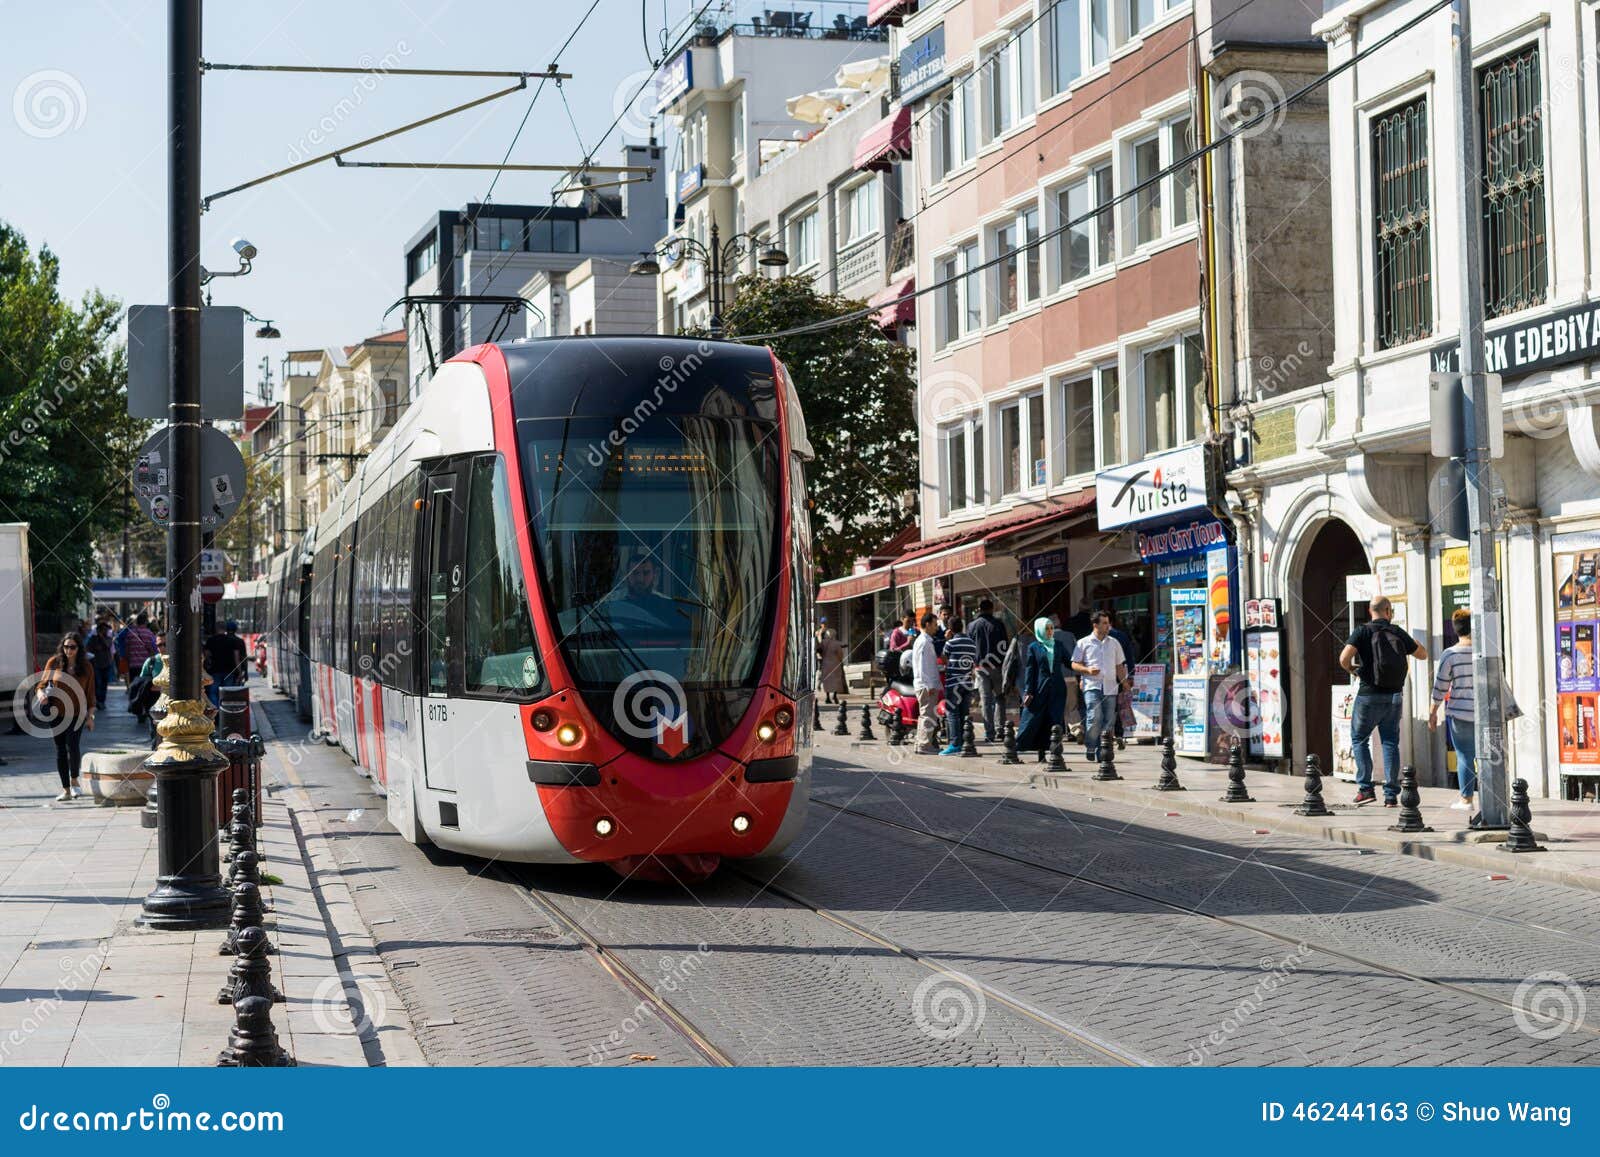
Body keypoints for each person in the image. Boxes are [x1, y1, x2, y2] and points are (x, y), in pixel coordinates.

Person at [1430, 608, 1519, 821]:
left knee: (1465, 757)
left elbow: (1441, 685)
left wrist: (1433, 711)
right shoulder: (1488, 650)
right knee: (1491, 756)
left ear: (1456, 630)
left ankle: (1466, 800)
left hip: (1461, 715)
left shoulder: (1449, 654)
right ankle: (1495, 798)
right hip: (1489, 714)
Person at [1339, 595, 1427, 806]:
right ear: (1389, 611)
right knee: (1390, 743)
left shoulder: (1362, 631)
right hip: (1394, 696)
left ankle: (1366, 789)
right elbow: (1422, 655)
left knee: (1359, 739)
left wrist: (1353, 669)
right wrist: (1413, 642)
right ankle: (1390, 795)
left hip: (1368, 695)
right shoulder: (1397, 632)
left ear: (1370, 611)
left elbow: (1343, 658)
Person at [38, 634, 96, 801]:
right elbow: (41, 685)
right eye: (66, 647)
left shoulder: (86, 666)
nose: (68, 650)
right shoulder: (54, 662)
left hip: (77, 714)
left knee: (73, 746)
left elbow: (90, 695)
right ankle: (66, 789)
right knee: (60, 750)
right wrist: (42, 694)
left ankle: (75, 781)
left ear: (79, 648)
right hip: (56, 714)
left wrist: (90, 717)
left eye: (72, 647)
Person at [1072, 611, 1128, 764]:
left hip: (1111, 686)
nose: (1107, 625)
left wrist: (1124, 682)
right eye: (1104, 623)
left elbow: (1119, 665)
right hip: (1092, 686)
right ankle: (1091, 746)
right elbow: (1074, 663)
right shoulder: (1083, 643)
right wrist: (1087, 670)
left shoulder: (1114, 643)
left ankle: (1103, 749)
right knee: (1095, 716)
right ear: (1095, 625)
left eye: (1108, 622)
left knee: (1109, 719)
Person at [1015, 618, 1072, 760]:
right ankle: (1030, 749)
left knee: (1054, 718)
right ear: (1039, 630)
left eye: (1051, 628)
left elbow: (1070, 662)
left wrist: (1085, 667)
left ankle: (1054, 751)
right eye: (1046, 628)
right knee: (1036, 719)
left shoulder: (1058, 645)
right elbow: (1030, 670)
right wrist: (1028, 691)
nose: (1050, 631)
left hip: (1057, 688)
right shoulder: (1034, 647)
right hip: (1039, 688)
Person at [967, 599, 1010, 742]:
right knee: (1000, 698)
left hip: (980, 667)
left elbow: (969, 647)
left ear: (979, 609)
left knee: (985, 700)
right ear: (991, 609)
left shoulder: (972, 626)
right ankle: (1000, 729)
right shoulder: (999, 624)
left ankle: (989, 732)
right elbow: (1005, 645)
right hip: (997, 666)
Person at [939, 618, 978, 754]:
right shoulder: (972, 643)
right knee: (963, 713)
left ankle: (955, 744)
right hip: (967, 683)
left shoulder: (950, 643)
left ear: (950, 628)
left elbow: (944, 658)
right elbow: (974, 661)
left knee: (952, 713)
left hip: (953, 683)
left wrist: (946, 640)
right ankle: (964, 742)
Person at [910, 613, 942, 753]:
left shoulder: (923, 640)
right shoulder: (924, 641)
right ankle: (924, 745)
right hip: (926, 685)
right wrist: (929, 685)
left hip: (924, 683)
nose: (936, 628)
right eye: (935, 624)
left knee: (925, 715)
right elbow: (923, 666)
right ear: (927, 624)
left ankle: (920, 743)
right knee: (928, 715)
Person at [1105, 611, 1136, 750]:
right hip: (1119, 675)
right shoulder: (1121, 635)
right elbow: (1129, 656)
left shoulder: (1108, 636)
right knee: (1117, 705)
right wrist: (1130, 675)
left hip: (1106, 676)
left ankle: (1108, 734)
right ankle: (1118, 734)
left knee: (1108, 706)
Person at [204, 619, 250, 708]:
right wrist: (240, 672)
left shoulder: (211, 640)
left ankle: (215, 709)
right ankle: (225, 710)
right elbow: (237, 658)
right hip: (229, 671)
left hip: (214, 671)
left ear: (216, 629)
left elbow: (207, 656)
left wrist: (208, 666)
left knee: (213, 692)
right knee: (227, 693)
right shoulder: (232, 641)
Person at [84, 620, 115, 710]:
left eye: (105, 629)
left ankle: (102, 701)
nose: (104, 631)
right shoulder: (93, 639)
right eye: (102, 630)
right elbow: (88, 649)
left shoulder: (108, 638)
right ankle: (98, 700)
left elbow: (107, 645)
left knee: (104, 683)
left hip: (106, 663)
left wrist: (102, 638)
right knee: (98, 683)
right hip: (96, 664)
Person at [121, 613, 159, 685]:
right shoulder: (149, 633)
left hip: (133, 665)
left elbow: (127, 650)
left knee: (134, 685)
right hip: (146, 665)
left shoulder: (130, 633)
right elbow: (154, 649)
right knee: (144, 686)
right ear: (145, 622)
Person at [816, 628, 847, 705]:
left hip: (825, 664)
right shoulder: (836, 643)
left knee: (827, 681)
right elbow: (840, 654)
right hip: (835, 664)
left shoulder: (823, 642)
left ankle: (827, 697)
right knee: (836, 680)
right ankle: (835, 696)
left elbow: (818, 650)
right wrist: (840, 660)